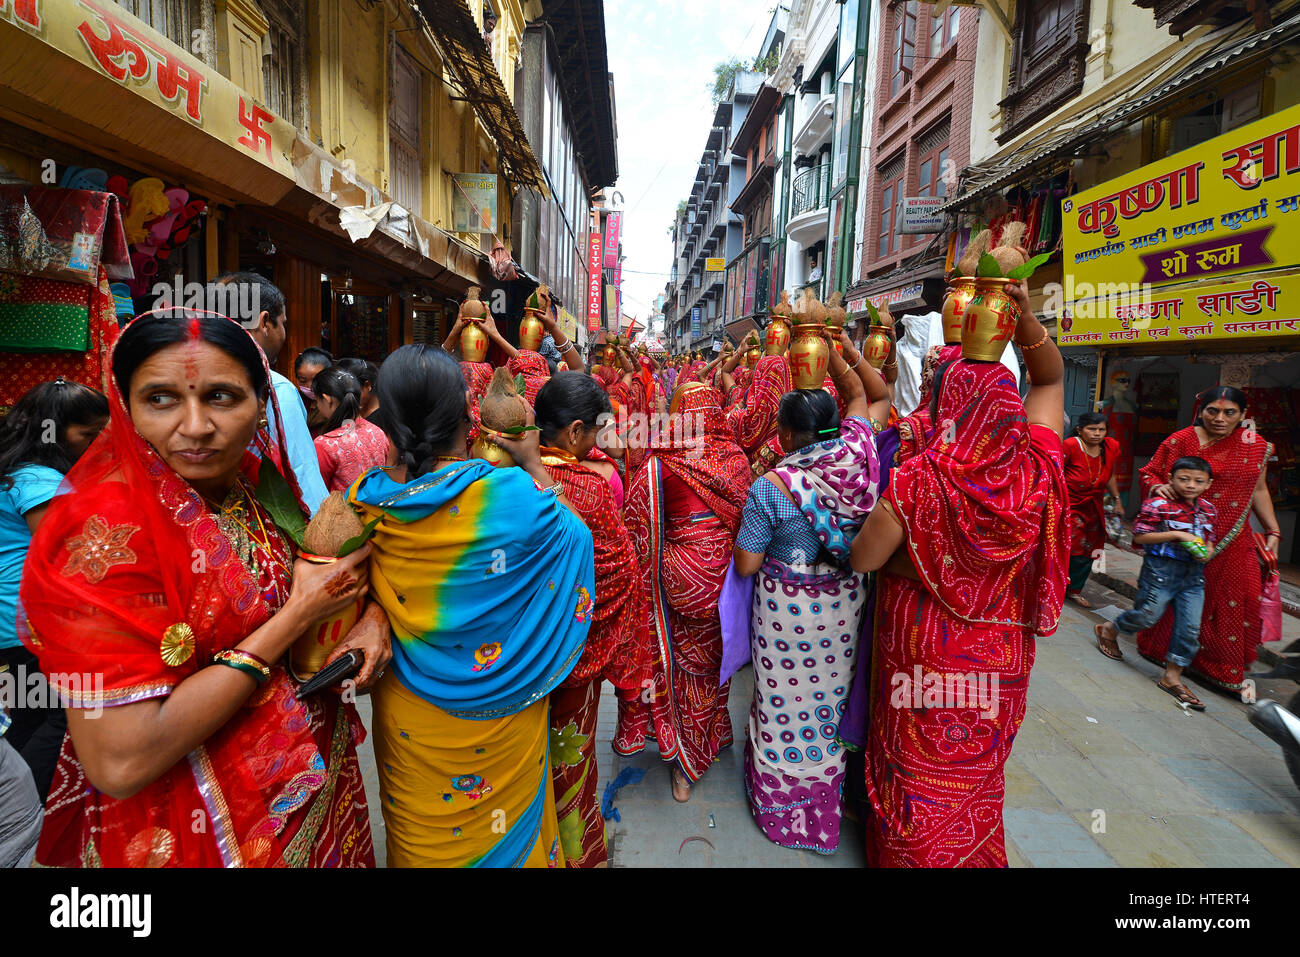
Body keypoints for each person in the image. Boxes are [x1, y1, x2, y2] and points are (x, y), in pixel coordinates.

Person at [19, 310, 383, 867]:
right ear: (125, 406)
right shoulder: (104, 539)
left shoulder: (255, 485)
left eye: (220, 396)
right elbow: (122, 762)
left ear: (263, 405)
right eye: (160, 398)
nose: (194, 426)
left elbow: (326, 576)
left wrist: (370, 618)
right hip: (201, 824)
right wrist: (299, 612)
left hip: (312, 787)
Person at [849, 284, 1069, 867]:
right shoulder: (1039, 471)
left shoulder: (917, 483)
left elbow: (863, 560)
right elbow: (1049, 383)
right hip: (997, 657)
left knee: (916, 766)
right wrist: (1023, 321)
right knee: (975, 770)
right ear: (1009, 407)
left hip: (922, 650)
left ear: (943, 406)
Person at [349, 345, 594, 867]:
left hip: (412, 712)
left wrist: (375, 611)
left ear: (383, 418)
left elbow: (354, 586)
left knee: (421, 840)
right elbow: (576, 537)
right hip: (504, 708)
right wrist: (532, 462)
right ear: (468, 411)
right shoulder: (514, 495)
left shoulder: (365, 501)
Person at [730, 331, 891, 852]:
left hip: (786, 616)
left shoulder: (771, 487)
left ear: (785, 433)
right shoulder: (860, 455)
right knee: (827, 701)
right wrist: (842, 350)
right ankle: (825, 804)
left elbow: (748, 563)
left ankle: (781, 811)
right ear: (835, 423)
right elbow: (871, 398)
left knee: (782, 703)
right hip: (843, 611)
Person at [535, 373, 648, 867]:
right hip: (573, 659)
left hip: (510, 659)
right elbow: (621, 572)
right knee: (570, 758)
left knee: (526, 760)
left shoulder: (495, 476)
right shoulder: (588, 489)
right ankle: (579, 854)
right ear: (576, 432)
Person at [622, 382, 751, 802]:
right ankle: (715, 733)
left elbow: (636, 523)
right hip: (728, 589)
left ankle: (686, 765)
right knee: (714, 666)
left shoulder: (664, 463)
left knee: (684, 670)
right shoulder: (736, 459)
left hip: (681, 588)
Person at [0, 380, 108, 802]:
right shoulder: (39, 481)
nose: (98, 442)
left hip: (13, 624)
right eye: (89, 433)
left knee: (30, 715)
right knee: (66, 716)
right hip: (29, 623)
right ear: (53, 431)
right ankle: (25, 811)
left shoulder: (15, 470)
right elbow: (69, 557)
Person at [1134, 386, 1280, 692]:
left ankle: (1218, 667)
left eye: (1230, 412)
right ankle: (1165, 656)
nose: (1220, 418)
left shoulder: (1255, 445)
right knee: (1179, 602)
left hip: (1230, 539)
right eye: (1213, 410)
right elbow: (1150, 472)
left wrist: (1273, 531)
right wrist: (1158, 487)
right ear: (1202, 410)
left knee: (1231, 600)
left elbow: (1259, 489)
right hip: (1181, 538)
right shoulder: (1181, 439)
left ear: (1243, 415)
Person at [1096, 457, 1214, 709]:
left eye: (1198, 481)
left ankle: (1172, 676)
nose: (1190, 485)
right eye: (1183, 479)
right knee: (1148, 616)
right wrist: (1177, 534)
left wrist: (1208, 552)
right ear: (1171, 479)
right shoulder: (1158, 504)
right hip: (1161, 570)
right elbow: (1139, 535)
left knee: (1190, 628)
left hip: (1193, 576)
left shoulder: (1208, 510)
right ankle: (1111, 628)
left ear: (1208, 484)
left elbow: (1210, 539)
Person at [215, 272, 329, 514]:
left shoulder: (190, 378)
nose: (284, 334)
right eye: (283, 322)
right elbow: (301, 474)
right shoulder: (277, 389)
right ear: (264, 322)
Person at [1063, 411, 1121, 607]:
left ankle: (1074, 589)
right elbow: (1055, 474)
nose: (1097, 433)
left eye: (1101, 429)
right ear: (1080, 430)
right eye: (1092, 429)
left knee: (1091, 548)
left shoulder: (1111, 447)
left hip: (1094, 506)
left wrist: (1117, 500)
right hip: (1069, 505)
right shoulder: (1071, 446)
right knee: (1070, 544)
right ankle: (1056, 584)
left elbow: (1111, 475)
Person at [311, 367, 389, 492]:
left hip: (341, 511)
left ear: (326, 399)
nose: (315, 405)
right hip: (375, 509)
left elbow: (319, 492)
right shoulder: (377, 432)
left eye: (316, 400)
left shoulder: (324, 444)